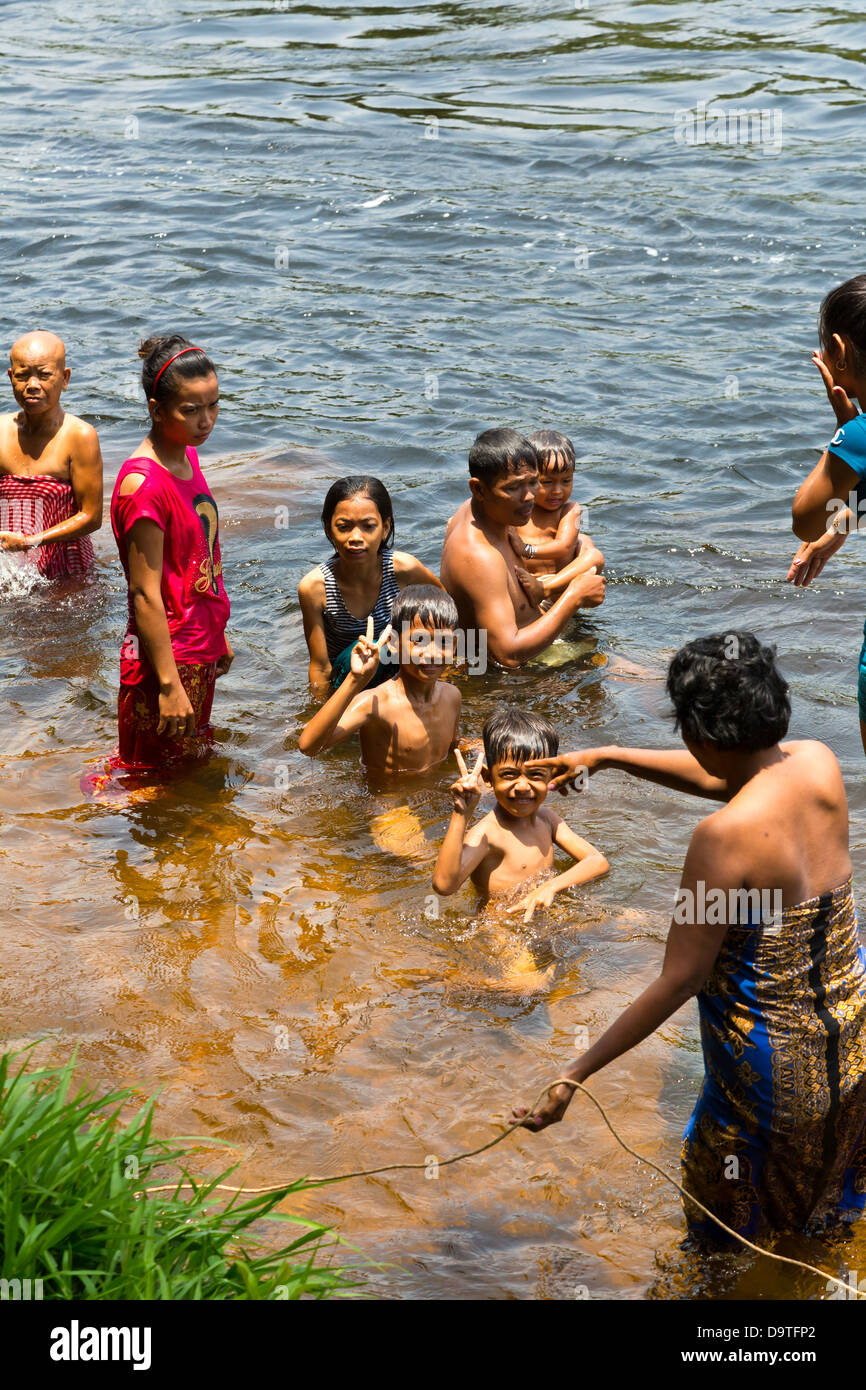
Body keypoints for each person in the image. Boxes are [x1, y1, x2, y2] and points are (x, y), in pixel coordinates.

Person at [514, 632, 866, 1245]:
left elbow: (681, 979)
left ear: (698, 735)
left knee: (723, 1245)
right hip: (849, 1043)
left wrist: (575, 1072)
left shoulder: (720, 839)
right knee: (822, 1212)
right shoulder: (818, 763)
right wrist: (611, 753)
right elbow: (735, 778)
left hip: (767, 1074)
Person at [107, 334, 232, 772]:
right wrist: (167, 685)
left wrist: (219, 632)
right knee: (149, 777)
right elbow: (145, 593)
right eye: (191, 410)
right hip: (167, 658)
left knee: (186, 768)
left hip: (198, 645)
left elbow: (194, 559)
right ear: (156, 410)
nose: (206, 420)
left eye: (213, 405)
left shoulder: (186, 458)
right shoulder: (144, 486)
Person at [440, 428, 605, 669]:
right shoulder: (479, 556)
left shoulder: (484, 513)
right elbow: (507, 655)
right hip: (515, 680)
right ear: (478, 489)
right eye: (513, 488)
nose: (529, 497)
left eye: (534, 482)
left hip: (544, 642)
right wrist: (574, 597)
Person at [432, 707, 609, 923]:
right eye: (509, 775)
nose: (523, 786)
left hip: (543, 914)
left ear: (553, 777)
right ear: (488, 778)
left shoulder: (548, 820)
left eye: (535, 775)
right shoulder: (488, 834)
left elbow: (597, 861)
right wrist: (461, 813)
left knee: (631, 923)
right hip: (502, 928)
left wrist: (550, 887)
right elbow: (444, 885)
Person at [787, 275, 866, 755]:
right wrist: (844, 527)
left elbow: (804, 520)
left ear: (838, 351)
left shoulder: (860, 434)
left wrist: (844, 429)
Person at [298, 476, 444, 695]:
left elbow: (446, 614)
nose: (355, 537)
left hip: (400, 667)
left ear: (385, 528)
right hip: (349, 678)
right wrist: (320, 712)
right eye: (344, 527)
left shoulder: (404, 570)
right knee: (357, 653)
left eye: (368, 527)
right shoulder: (314, 588)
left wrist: (446, 675)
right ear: (329, 531)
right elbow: (320, 666)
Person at [298, 585, 462, 775]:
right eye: (419, 640)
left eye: (444, 642)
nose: (433, 653)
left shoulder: (452, 696)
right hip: (385, 801)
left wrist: (478, 751)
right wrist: (356, 680)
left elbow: (453, 746)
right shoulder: (375, 703)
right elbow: (308, 747)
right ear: (393, 644)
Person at [0, 330, 102, 578]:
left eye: (44, 375)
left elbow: (91, 516)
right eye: (22, 376)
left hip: (66, 566)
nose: (32, 386)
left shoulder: (79, 436)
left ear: (65, 379)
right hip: (10, 567)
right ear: (11, 377)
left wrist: (31, 541)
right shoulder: (0, 431)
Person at [507, 429, 604, 600]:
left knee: (592, 553)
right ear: (528, 478)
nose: (558, 491)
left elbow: (564, 547)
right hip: (524, 583)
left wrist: (526, 549)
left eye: (566, 481)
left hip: (554, 586)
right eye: (547, 482)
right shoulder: (518, 509)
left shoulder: (570, 510)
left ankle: (545, 589)